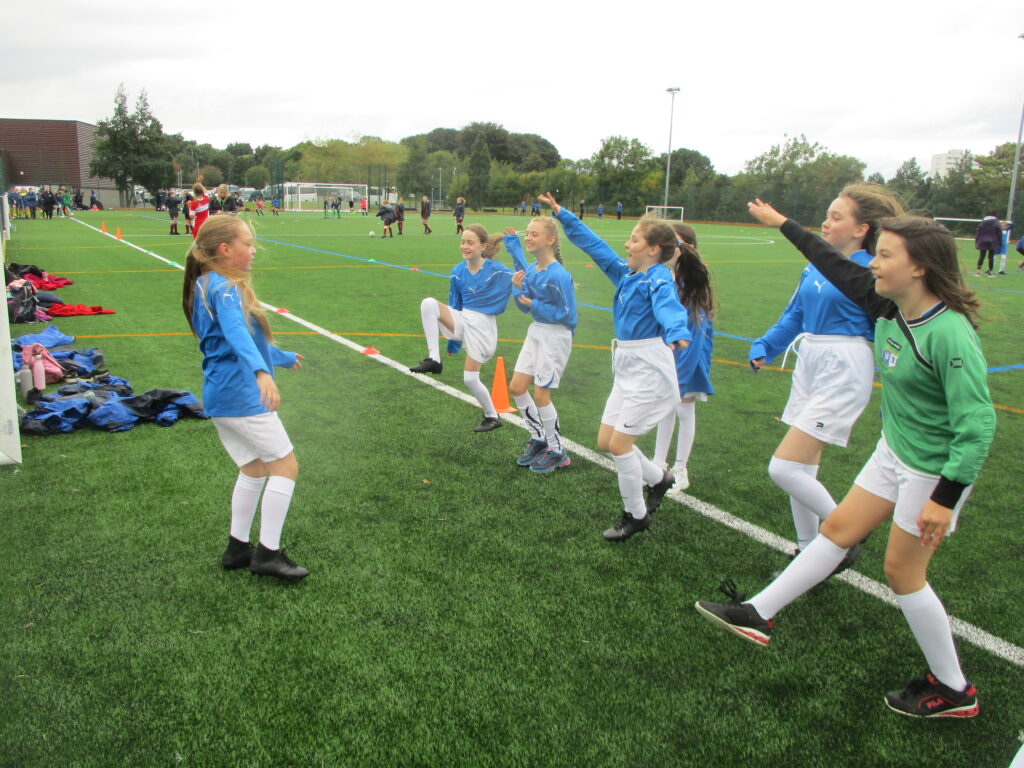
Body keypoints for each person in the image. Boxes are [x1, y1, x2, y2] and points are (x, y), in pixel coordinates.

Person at [696, 203, 995, 719]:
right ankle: (758, 613)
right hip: (893, 451)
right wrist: (785, 224)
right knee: (836, 530)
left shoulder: (949, 333)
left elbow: (978, 424)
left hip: (933, 470)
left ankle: (954, 690)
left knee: (902, 573)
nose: (872, 264)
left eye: (885, 255)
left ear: (919, 268)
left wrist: (945, 498)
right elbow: (830, 261)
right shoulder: (886, 307)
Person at [749, 184, 904, 566]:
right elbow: (795, 315)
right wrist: (766, 344)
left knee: (784, 467)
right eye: (827, 215)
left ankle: (846, 532)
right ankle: (808, 548)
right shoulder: (813, 266)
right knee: (802, 467)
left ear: (861, 229)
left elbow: (889, 324)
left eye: (837, 217)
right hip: (810, 360)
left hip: (844, 364)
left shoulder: (871, 271)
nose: (826, 222)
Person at [541, 193, 691, 541]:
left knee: (621, 445)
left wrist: (677, 330)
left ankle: (635, 514)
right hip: (626, 366)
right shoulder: (628, 273)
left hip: (649, 368)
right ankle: (659, 479)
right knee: (606, 441)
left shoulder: (658, 277)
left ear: (653, 249)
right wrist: (564, 216)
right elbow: (596, 247)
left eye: (634, 239)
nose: (627, 244)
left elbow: (668, 306)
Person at [181, 215, 309, 581]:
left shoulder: (204, 283)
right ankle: (268, 554)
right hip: (241, 395)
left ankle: (237, 548)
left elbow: (235, 338)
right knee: (286, 467)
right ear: (225, 249)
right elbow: (236, 333)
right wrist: (261, 372)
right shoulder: (225, 288)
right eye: (248, 244)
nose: (253, 250)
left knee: (253, 469)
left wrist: (279, 358)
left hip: (219, 396)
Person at [409, 224, 525, 431]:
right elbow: (455, 304)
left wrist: (515, 248)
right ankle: (434, 359)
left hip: (483, 327)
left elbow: (525, 277)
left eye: (470, 242)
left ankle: (492, 416)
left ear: (483, 246)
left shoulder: (497, 271)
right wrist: (453, 343)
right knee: (428, 303)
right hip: (463, 318)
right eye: (463, 242)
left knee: (470, 379)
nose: (465, 246)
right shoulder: (457, 271)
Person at [503, 217, 578, 473]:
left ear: (550, 240)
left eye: (534, 234)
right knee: (517, 386)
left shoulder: (559, 275)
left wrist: (535, 305)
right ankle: (538, 439)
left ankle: (557, 451)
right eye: (527, 233)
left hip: (555, 336)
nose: (528, 237)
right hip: (536, 330)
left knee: (541, 395)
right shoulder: (533, 270)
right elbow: (525, 307)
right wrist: (517, 289)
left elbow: (568, 315)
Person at [651, 223, 713, 490]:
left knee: (684, 409)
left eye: (672, 241)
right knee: (666, 408)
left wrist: (684, 370)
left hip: (690, 356)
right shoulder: (666, 277)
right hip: (669, 353)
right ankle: (658, 463)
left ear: (686, 246)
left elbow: (698, 331)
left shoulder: (694, 281)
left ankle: (680, 469)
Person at [973, 212, 1002, 277]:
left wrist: (977, 241)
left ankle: (978, 271)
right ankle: (990, 272)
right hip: (993, 241)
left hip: (983, 241)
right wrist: (1000, 242)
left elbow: (978, 232)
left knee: (981, 256)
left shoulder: (982, 223)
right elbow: (999, 233)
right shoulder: (997, 223)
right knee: (991, 257)